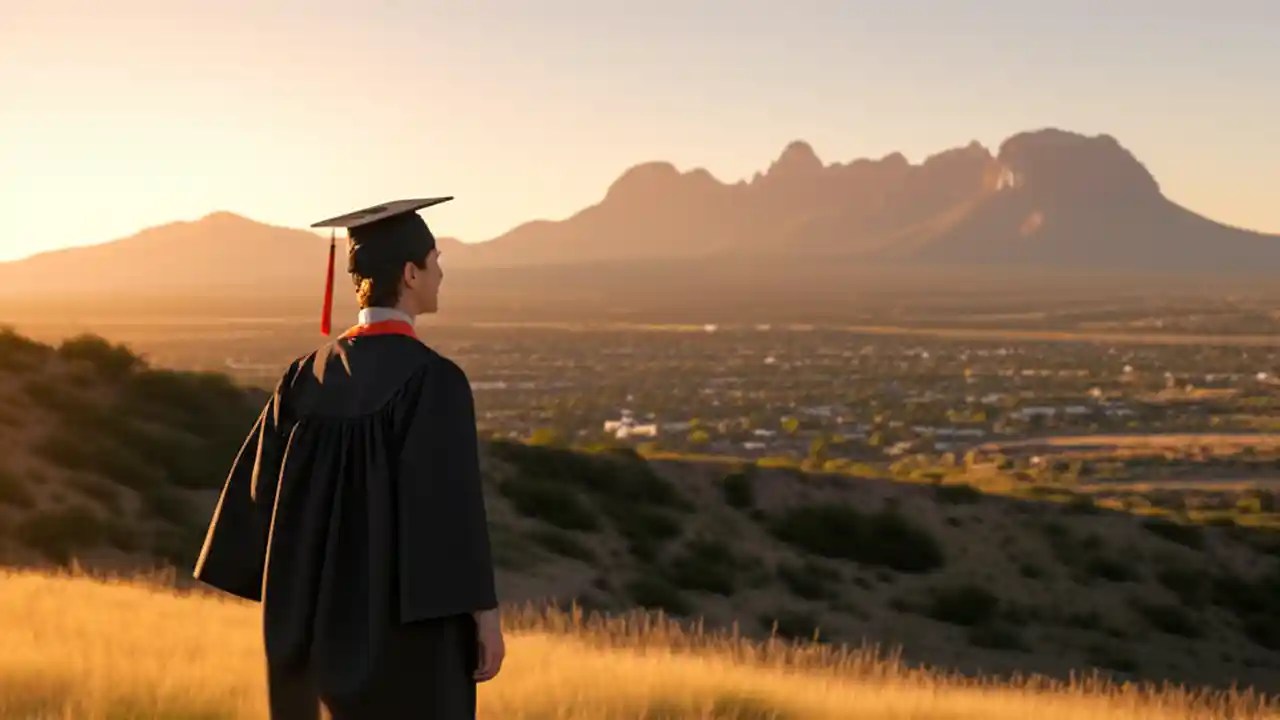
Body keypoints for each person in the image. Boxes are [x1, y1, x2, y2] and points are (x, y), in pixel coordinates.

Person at [193, 198, 505, 719]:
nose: (441, 273)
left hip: (310, 631)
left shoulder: (302, 377)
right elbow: (450, 513)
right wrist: (485, 614)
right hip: (406, 638)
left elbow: (257, 500)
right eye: (436, 261)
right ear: (410, 274)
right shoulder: (435, 382)